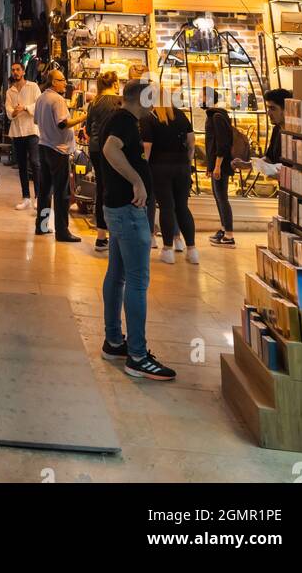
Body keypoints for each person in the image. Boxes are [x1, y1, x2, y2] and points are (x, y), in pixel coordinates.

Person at [100, 80, 176, 380]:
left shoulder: (118, 119)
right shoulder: (125, 122)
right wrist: (137, 181)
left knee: (117, 275)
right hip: (128, 211)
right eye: (151, 99)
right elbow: (110, 149)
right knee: (136, 280)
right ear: (141, 99)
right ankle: (137, 355)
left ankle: (113, 341)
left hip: (117, 208)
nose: (154, 105)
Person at [140, 97, 198, 264]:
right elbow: (191, 143)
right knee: (182, 207)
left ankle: (167, 250)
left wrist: (143, 168)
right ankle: (192, 250)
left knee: (166, 207)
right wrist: (186, 161)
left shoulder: (149, 118)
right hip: (182, 166)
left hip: (160, 167)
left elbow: (147, 147)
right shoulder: (181, 115)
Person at [34, 68, 86, 242]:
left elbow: (36, 120)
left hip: (44, 146)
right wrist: (82, 118)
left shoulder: (41, 98)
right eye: (62, 80)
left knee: (45, 190)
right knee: (61, 192)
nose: (65, 83)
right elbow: (62, 124)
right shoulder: (57, 99)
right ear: (54, 82)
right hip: (58, 149)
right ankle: (62, 231)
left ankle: (42, 226)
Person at [85, 70, 122, 252]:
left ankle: (101, 236)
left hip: (95, 149)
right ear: (115, 84)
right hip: (113, 149)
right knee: (115, 189)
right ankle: (115, 235)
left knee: (101, 188)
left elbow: (87, 128)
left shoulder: (94, 102)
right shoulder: (118, 102)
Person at [5, 60, 40, 211]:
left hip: (31, 130)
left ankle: (39, 196)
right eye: (13, 70)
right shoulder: (10, 91)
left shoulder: (33, 87)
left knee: (35, 163)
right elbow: (8, 110)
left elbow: (38, 104)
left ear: (23, 71)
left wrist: (25, 108)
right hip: (17, 132)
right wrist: (13, 112)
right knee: (22, 165)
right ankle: (26, 197)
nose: (15, 72)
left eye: (18, 69)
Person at [204, 91, 236, 246]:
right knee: (219, 198)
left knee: (222, 198)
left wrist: (217, 166)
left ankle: (229, 235)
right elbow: (212, 143)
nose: (199, 99)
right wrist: (210, 166)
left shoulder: (217, 117)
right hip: (217, 164)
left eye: (202, 96)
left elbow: (222, 144)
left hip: (221, 165)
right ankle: (223, 230)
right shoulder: (214, 115)